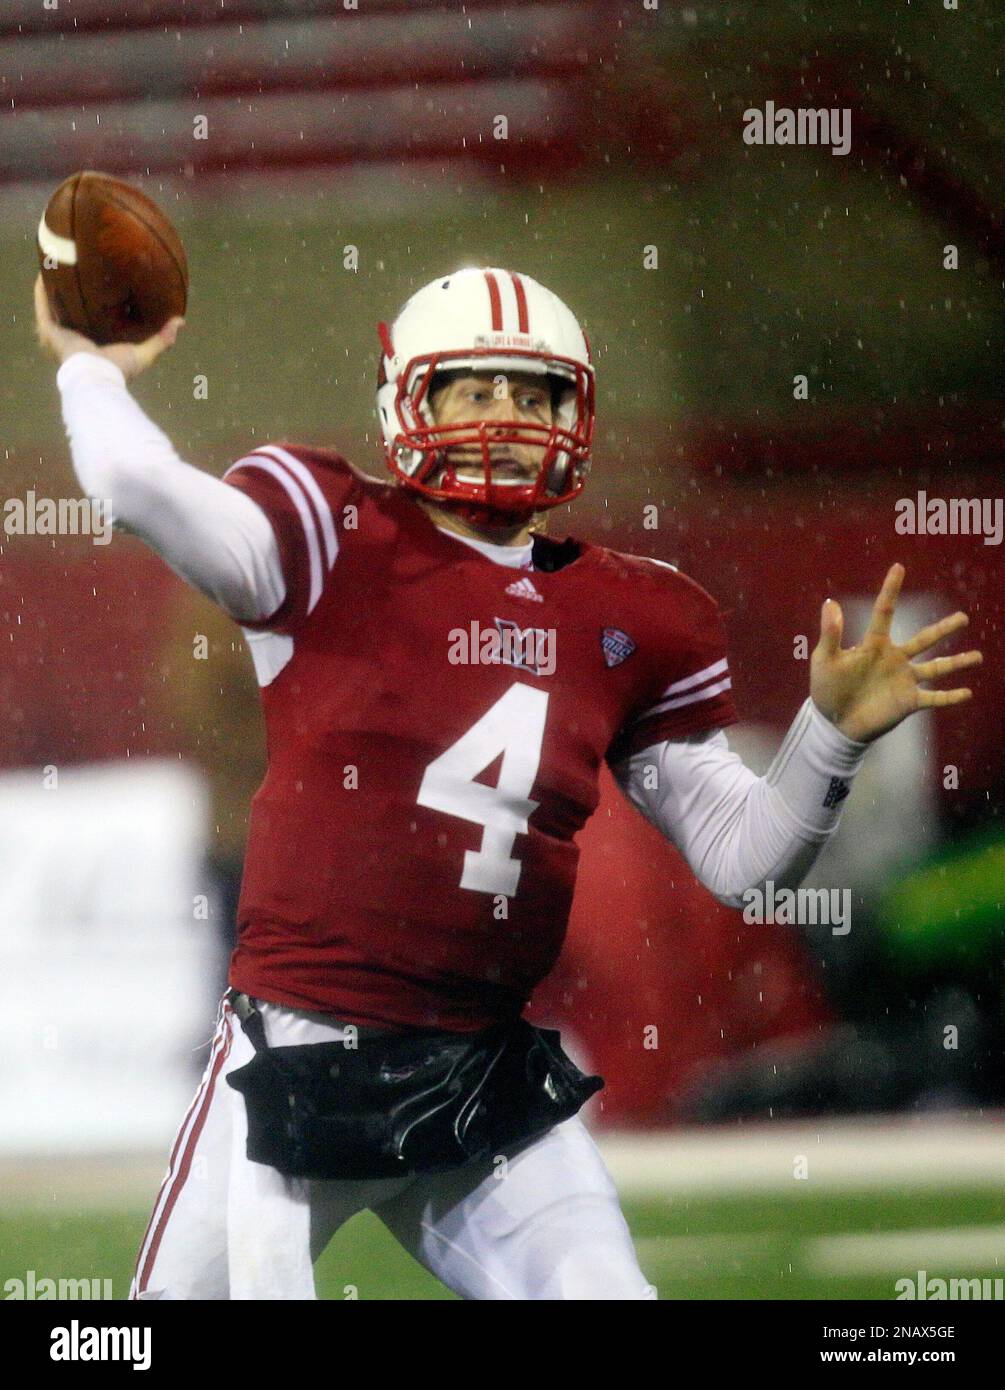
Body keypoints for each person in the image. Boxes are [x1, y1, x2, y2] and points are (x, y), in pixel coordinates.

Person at [35, 266, 981, 1301]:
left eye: (537, 394)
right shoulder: (327, 531)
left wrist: (829, 737)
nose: (509, 416)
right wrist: (90, 371)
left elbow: (747, 863)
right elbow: (133, 487)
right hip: (298, 1060)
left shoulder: (634, 617)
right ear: (411, 400)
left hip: (482, 1072)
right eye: (477, 388)